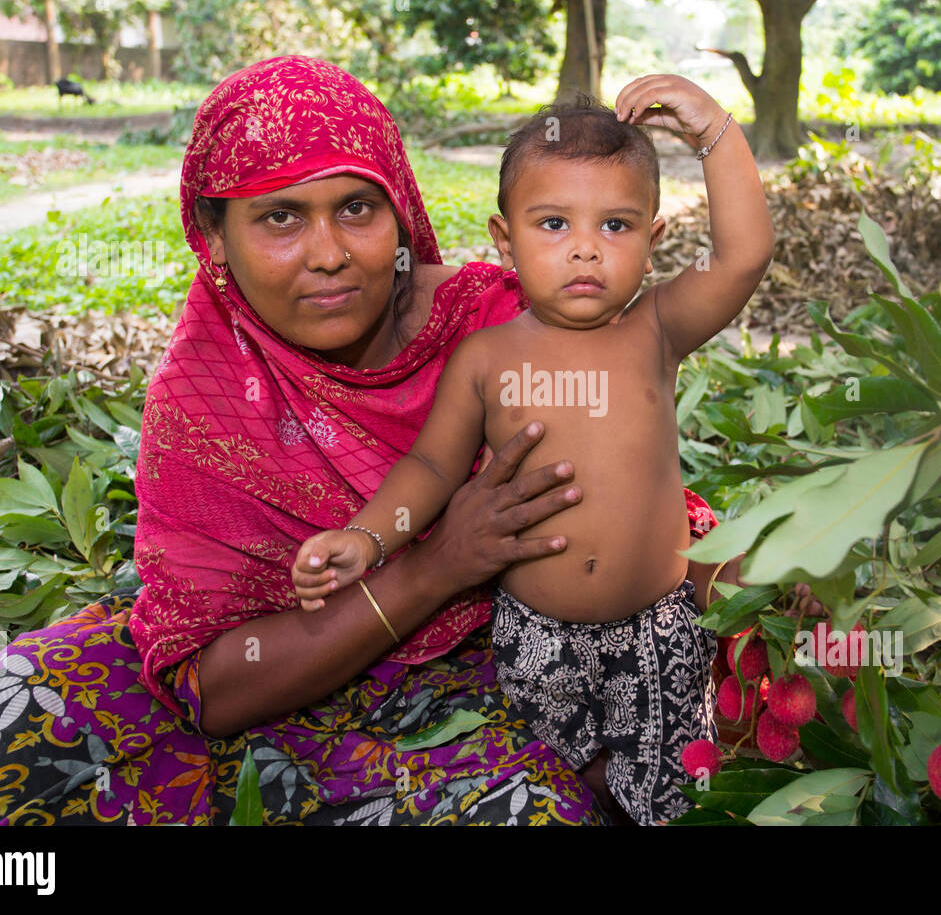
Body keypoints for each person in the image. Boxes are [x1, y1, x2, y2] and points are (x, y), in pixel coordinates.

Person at [0, 55, 738, 826]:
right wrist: (435, 564)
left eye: (357, 208)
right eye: (281, 217)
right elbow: (216, 688)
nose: (329, 255)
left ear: (400, 210)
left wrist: (760, 581)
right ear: (215, 238)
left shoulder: (494, 322)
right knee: (25, 701)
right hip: (285, 653)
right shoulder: (205, 393)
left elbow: (631, 503)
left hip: (489, 663)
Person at [291, 76, 775, 824]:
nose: (585, 248)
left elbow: (744, 257)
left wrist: (713, 129)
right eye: (553, 223)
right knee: (565, 785)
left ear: (653, 238)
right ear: (503, 237)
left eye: (616, 226)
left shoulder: (655, 331)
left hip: (657, 626)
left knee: (677, 792)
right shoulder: (485, 358)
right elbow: (431, 468)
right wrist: (367, 537)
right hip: (535, 637)